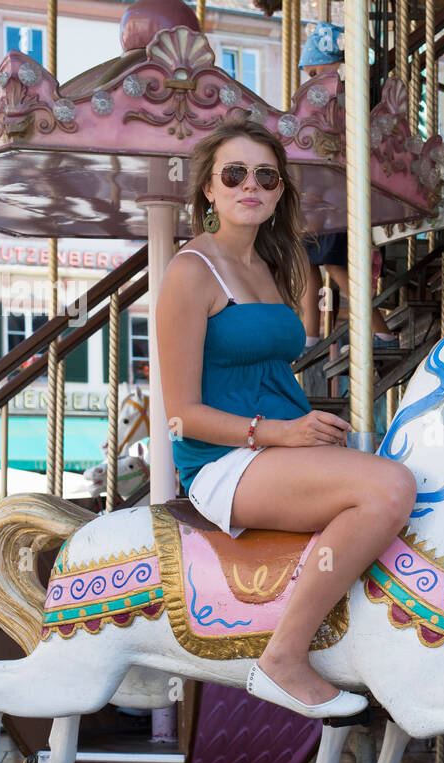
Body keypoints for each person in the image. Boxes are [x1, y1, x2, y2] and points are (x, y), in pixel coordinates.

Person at [157, 116, 417, 719]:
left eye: (266, 176)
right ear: (209, 189)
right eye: (235, 173)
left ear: (278, 193)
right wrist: (280, 433)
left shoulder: (268, 267)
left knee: (414, 480)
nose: (251, 185)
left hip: (279, 447)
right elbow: (182, 416)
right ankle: (285, 657)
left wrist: (301, 431)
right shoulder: (190, 272)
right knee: (390, 487)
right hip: (225, 462)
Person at [296, 21, 398, 352]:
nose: (310, 79)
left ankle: (381, 331)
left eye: (315, 71)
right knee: (307, 259)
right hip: (320, 191)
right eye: (309, 73)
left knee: (335, 263)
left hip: (339, 192)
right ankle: (310, 334)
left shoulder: (346, 99)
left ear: (337, 66)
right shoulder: (322, 102)